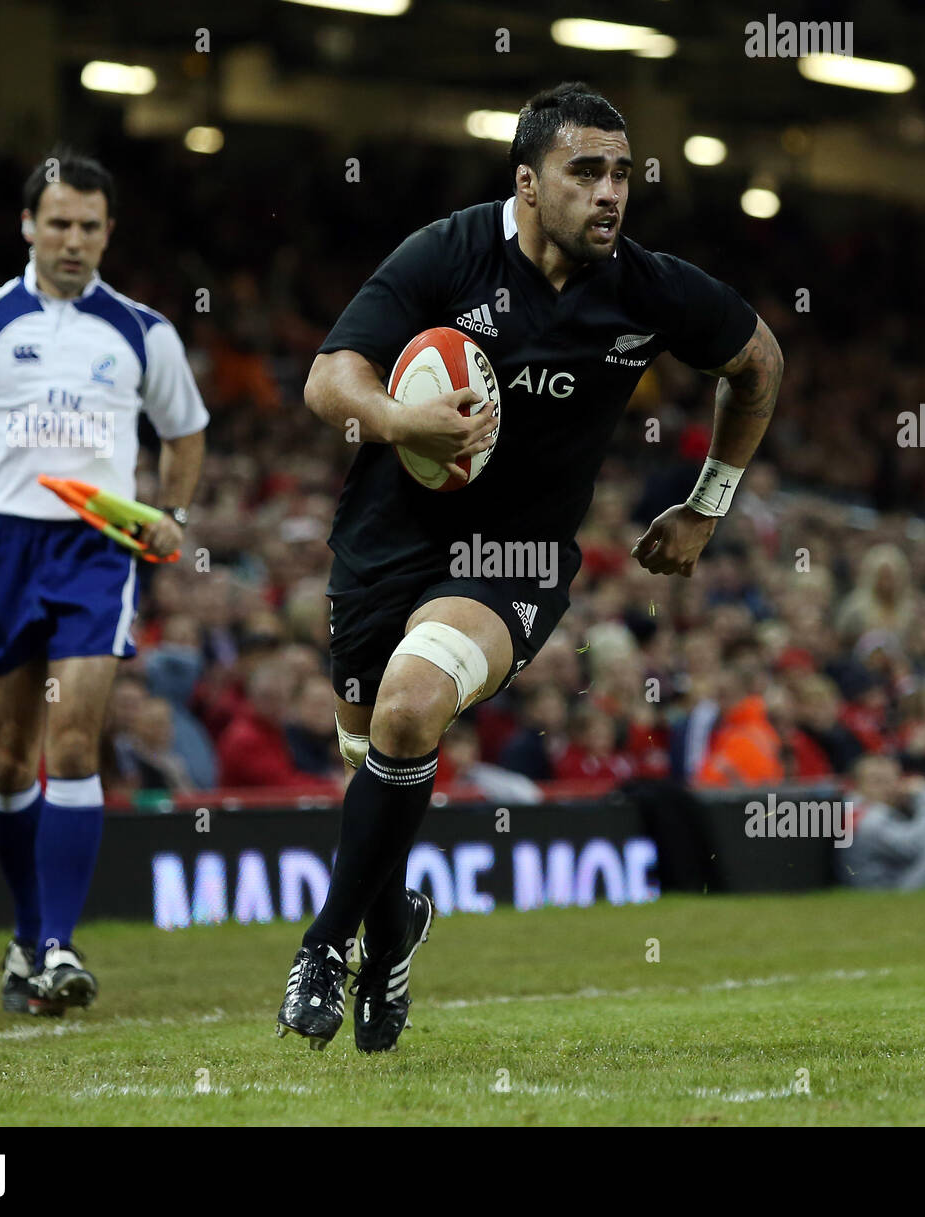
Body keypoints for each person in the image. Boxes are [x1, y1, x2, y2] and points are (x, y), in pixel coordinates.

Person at [279, 82, 783, 1051]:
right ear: (527, 182)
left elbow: (757, 362)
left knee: (407, 707)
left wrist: (706, 502)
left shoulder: (645, 286)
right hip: (383, 540)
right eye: (584, 171)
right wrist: (394, 419)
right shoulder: (447, 252)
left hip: (511, 558)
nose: (609, 194)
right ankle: (392, 935)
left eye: (621, 174)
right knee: (369, 756)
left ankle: (324, 945)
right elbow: (327, 376)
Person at [0, 149, 208, 1015]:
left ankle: (58, 944)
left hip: (97, 548)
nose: (73, 239)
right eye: (57, 222)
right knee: (11, 758)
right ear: (29, 225)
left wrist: (173, 509)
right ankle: (29, 937)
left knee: (72, 743)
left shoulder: (143, 331)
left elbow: (186, 432)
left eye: (89, 226)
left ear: (109, 233)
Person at [837, 755, 925, 890]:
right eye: (877, 781)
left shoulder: (869, 810)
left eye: (891, 780)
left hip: (893, 880)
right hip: (883, 891)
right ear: (856, 785)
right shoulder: (867, 818)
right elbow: (918, 846)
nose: (888, 788)